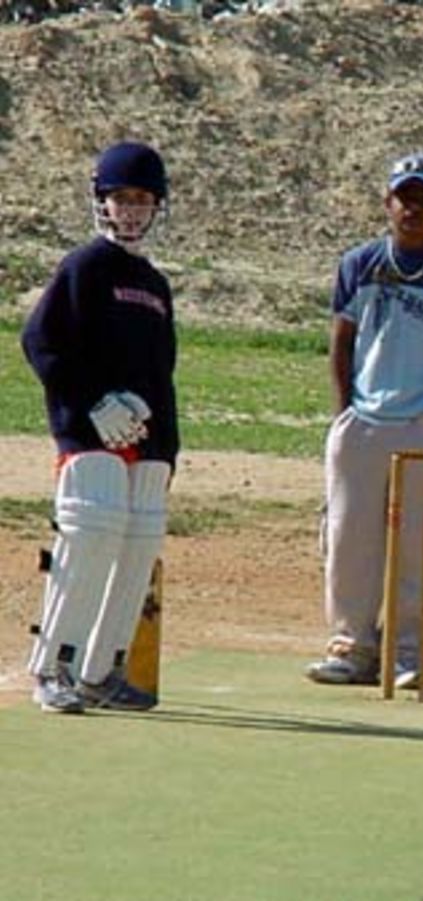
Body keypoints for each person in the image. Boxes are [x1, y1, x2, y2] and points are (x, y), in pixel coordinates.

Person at [307, 151, 423, 689]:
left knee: (419, 542)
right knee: (350, 537)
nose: (412, 208)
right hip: (363, 422)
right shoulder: (358, 263)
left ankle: (407, 651)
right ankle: (353, 646)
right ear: (387, 203)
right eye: (403, 197)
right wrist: (345, 414)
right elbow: (341, 342)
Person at [21, 140, 177, 714]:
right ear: (101, 202)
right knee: (90, 538)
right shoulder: (84, 267)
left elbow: (163, 375)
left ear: (157, 206)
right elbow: (40, 341)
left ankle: (99, 671)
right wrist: (92, 405)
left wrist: (167, 451)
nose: (131, 210)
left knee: (137, 548)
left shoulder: (155, 285)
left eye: (142, 199)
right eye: (120, 198)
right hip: (90, 434)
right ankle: (52, 667)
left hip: (146, 440)